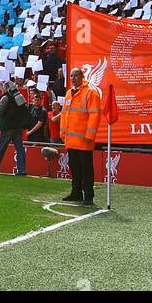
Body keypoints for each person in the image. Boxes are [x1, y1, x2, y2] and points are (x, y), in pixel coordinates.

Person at [56, 68, 100, 206]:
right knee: (74, 168)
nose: (73, 78)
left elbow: (95, 115)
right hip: (71, 140)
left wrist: (90, 135)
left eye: (76, 75)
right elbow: (64, 114)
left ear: (82, 76)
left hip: (84, 140)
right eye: (71, 75)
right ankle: (76, 193)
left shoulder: (90, 93)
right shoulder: (69, 93)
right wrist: (62, 133)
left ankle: (88, 195)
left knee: (86, 169)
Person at [0, 82, 29, 176]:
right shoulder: (20, 97)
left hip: (7, 128)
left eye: (3, 87)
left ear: (6, 88)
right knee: (20, 149)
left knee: (1, 148)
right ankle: (22, 170)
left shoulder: (5, 98)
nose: (1, 89)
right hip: (18, 127)